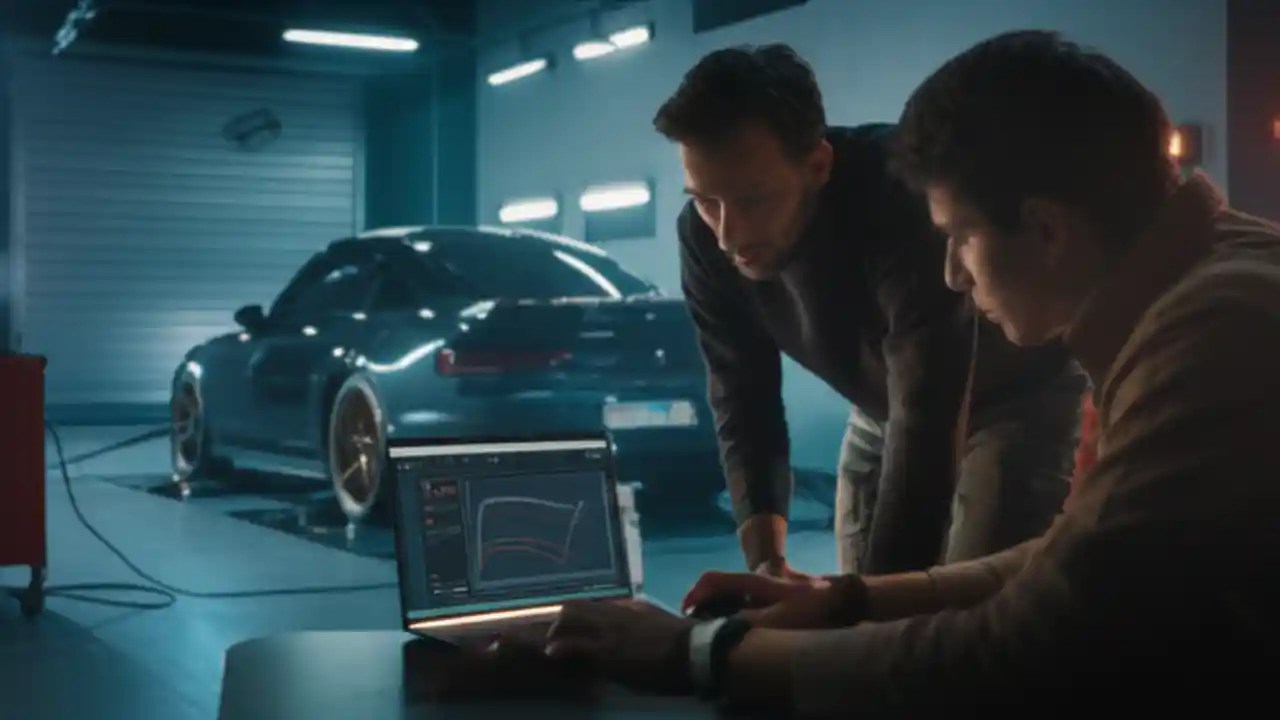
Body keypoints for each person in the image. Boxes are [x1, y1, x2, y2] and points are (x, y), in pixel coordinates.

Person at [530, 30, 1280, 712]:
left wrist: (698, 651)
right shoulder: (1196, 285)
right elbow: (1065, 562)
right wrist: (844, 601)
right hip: (889, 398)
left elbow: (1037, 644)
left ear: (1047, 229)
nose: (952, 275)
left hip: (991, 402)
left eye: (960, 237)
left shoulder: (1215, 331)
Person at [658, 43, 1085, 578]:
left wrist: (869, 609)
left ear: (817, 164)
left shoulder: (898, 194)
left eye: (752, 200)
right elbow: (742, 395)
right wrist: (766, 568)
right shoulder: (703, 236)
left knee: (956, 603)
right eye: (704, 198)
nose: (727, 233)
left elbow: (928, 416)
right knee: (856, 598)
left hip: (1013, 396)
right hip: (883, 404)